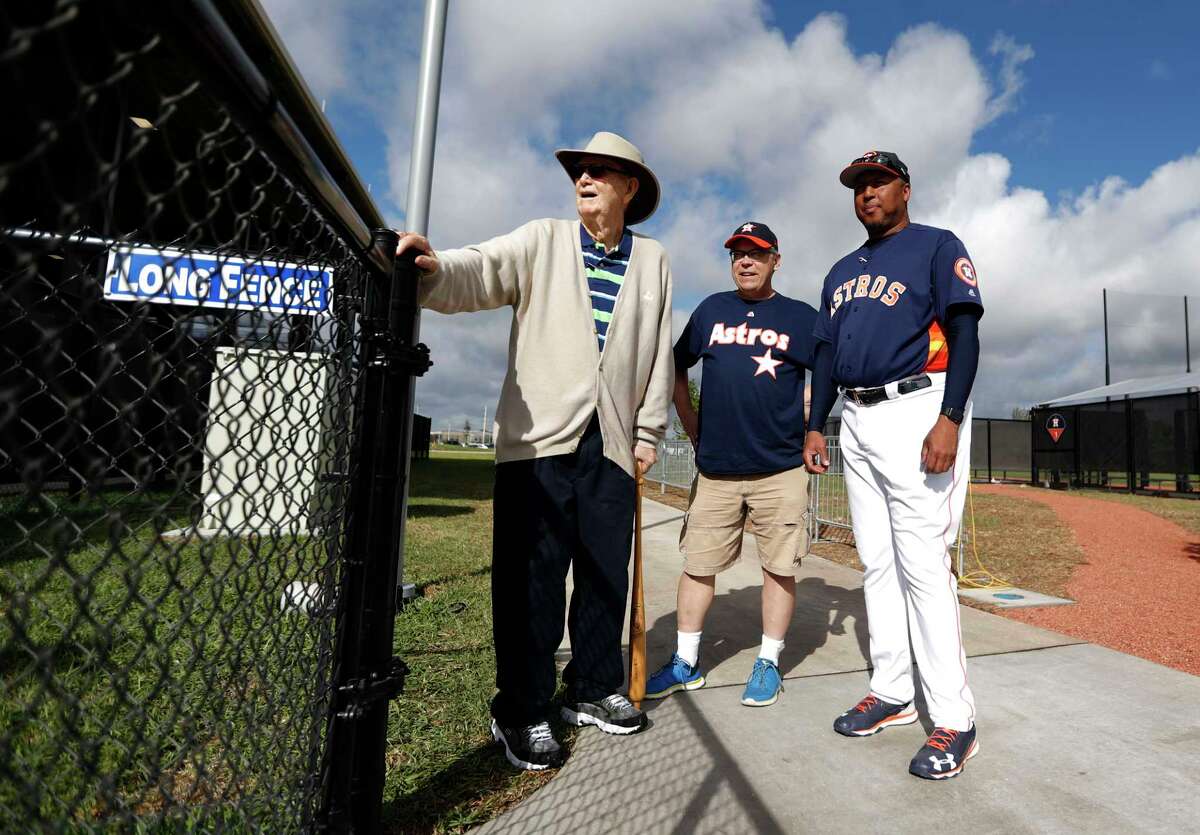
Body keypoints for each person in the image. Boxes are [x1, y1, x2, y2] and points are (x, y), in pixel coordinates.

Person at [396, 132, 674, 771]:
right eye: (581, 170)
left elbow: (658, 350)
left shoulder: (654, 259)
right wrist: (434, 269)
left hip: (614, 442)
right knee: (532, 581)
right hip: (536, 443)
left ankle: (593, 686)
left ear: (630, 188)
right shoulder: (544, 240)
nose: (585, 179)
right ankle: (522, 708)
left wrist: (650, 434)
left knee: (606, 574)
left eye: (601, 172)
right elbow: (481, 267)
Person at [803, 150, 984, 780]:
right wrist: (814, 426)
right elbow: (825, 356)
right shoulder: (840, 271)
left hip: (917, 408)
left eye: (878, 182)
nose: (867, 193)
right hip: (853, 418)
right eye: (858, 185)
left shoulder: (936, 246)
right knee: (877, 562)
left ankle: (955, 721)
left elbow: (965, 334)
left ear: (905, 189)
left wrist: (951, 418)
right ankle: (893, 691)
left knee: (923, 565)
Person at [645, 222, 816, 708]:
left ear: (775, 260)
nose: (745, 261)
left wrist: (811, 421)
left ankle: (768, 662)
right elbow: (675, 364)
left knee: (779, 567)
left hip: (779, 469)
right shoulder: (710, 310)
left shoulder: (799, 316)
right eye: (738, 254)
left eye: (756, 254)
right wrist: (690, 419)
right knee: (698, 565)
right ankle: (685, 662)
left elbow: (828, 370)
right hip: (717, 470)